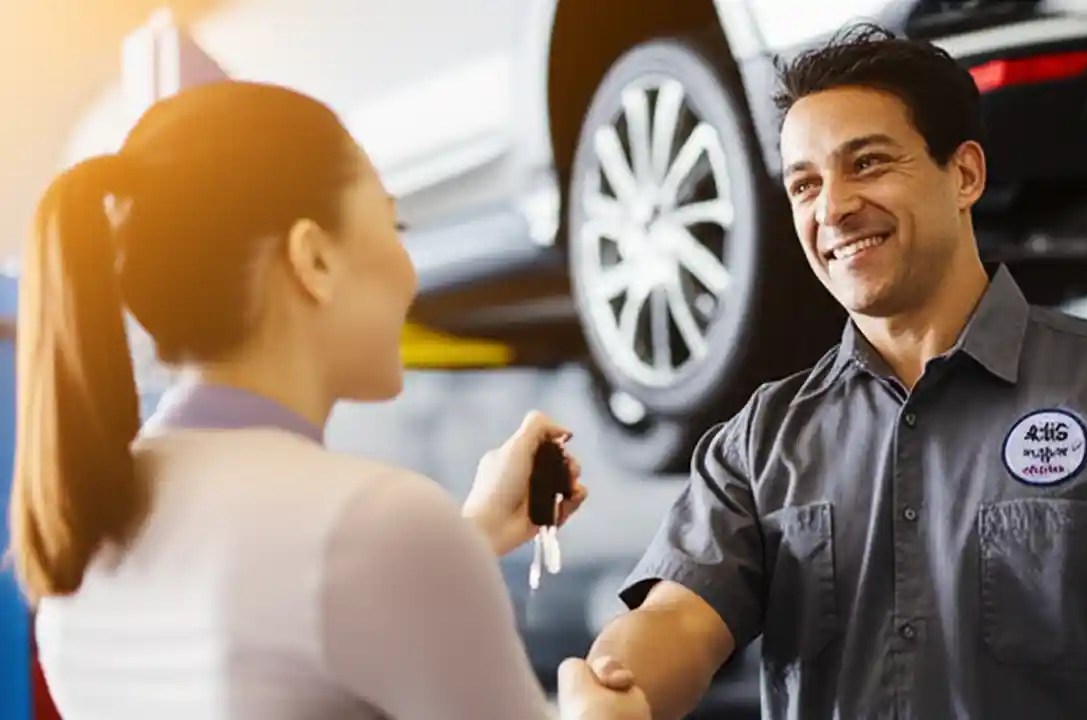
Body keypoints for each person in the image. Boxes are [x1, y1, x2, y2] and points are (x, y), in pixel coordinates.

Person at [585, 24, 1087, 720]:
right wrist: (615, 684)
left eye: (867, 163)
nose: (833, 207)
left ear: (964, 174)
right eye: (805, 184)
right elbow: (676, 620)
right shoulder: (760, 445)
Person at [10, 80, 648, 720]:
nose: (409, 272)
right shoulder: (379, 522)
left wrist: (466, 542)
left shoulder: (86, 529)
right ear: (313, 258)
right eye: (393, 225)